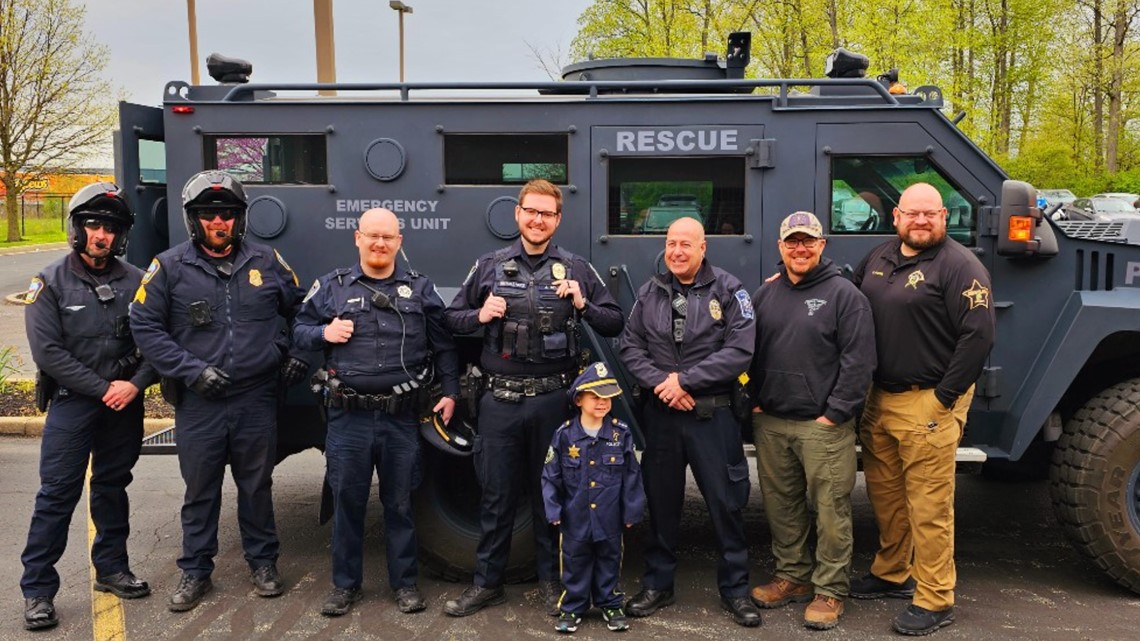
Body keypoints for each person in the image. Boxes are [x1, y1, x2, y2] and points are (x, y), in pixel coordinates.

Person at [442, 179, 625, 617]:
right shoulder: (489, 266)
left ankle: (553, 583)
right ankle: (487, 584)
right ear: (518, 214)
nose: (538, 220)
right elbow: (450, 319)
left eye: (547, 213)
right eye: (531, 211)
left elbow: (616, 321)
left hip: (553, 402)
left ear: (557, 220)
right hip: (500, 402)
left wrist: (583, 304)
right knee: (496, 497)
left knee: (552, 497)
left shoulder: (576, 268)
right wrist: (480, 314)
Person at [130, 170, 308, 612]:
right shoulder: (168, 267)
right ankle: (195, 571)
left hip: (255, 397)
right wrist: (192, 371)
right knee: (200, 490)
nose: (218, 222)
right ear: (193, 220)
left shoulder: (267, 261)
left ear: (239, 219)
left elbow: (302, 308)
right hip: (199, 400)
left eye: (227, 214)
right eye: (208, 215)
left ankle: (263, 564)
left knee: (256, 485)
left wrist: (294, 351)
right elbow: (145, 327)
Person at [292, 208, 460, 616]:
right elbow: (297, 331)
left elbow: (444, 344)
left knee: (400, 504)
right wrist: (324, 332)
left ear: (399, 242)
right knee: (347, 504)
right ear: (358, 238)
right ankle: (344, 586)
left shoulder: (420, 289)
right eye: (372, 236)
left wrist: (451, 392)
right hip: (348, 418)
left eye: (388, 237)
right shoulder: (331, 287)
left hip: (400, 417)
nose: (380, 243)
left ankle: (405, 584)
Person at [851, 182, 995, 635]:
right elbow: (847, 301)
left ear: (943, 217)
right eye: (912, 213)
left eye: (930, 214)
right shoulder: (878, 257)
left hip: (927, 400)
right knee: (887, 498)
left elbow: (979, 337)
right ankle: (893, 572)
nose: (920, 221)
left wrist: (943, 399)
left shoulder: (960, 267)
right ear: (896, 216)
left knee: (929, 507)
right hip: (879, 399)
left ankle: (935, 597)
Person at [19, 183, 158, 630]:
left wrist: (135, 385)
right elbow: (48, 353)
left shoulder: (138, 281)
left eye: (111, 228)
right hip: (73, 403)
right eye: (94, 225)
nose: (102, 235)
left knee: (113, 486)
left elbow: (156, 342)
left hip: (124, 404)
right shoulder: (49, 282)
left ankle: (112, 569)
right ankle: (38, 590)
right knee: (57, 494)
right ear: (77, 228)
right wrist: (103, 389)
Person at [618, 216, 761, 627]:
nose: (677, 251)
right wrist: (663, 383)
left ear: (703, 248)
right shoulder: (650, 292)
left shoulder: (730, 290)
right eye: (671, 243)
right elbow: (629, 347)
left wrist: (684, 381)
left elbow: (739, 352)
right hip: (663, 416)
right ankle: (657, 585)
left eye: (686, 244)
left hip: (712, 416)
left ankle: (735, 590)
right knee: (661, 504)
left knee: (726, 505)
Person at [746, 211, 876, 630]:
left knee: (831, 511)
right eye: (792, 241)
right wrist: (755, 402)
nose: (799, 249)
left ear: (822, 245)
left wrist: (834, 413)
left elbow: (859, 362)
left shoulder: (845, 296)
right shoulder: (765, 295)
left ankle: (830, 590)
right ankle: (793, 577)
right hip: (772, 422)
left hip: (823, 427)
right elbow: (746, 353)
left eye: (808, 241)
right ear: (780, 247)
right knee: (781, 507)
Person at [541, 362, 645, 634]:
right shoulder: (564, 435)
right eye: (595, 397)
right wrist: (553, 509)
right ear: (578, 400)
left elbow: (632, 475)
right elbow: (550, 475)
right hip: (574, 518)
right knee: (574, 563)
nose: (602, 403)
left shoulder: (620, 433)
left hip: (609, 518)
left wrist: (632, 510)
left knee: (609, 561)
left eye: (607, 397)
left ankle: (610, 603)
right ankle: (572, 607)